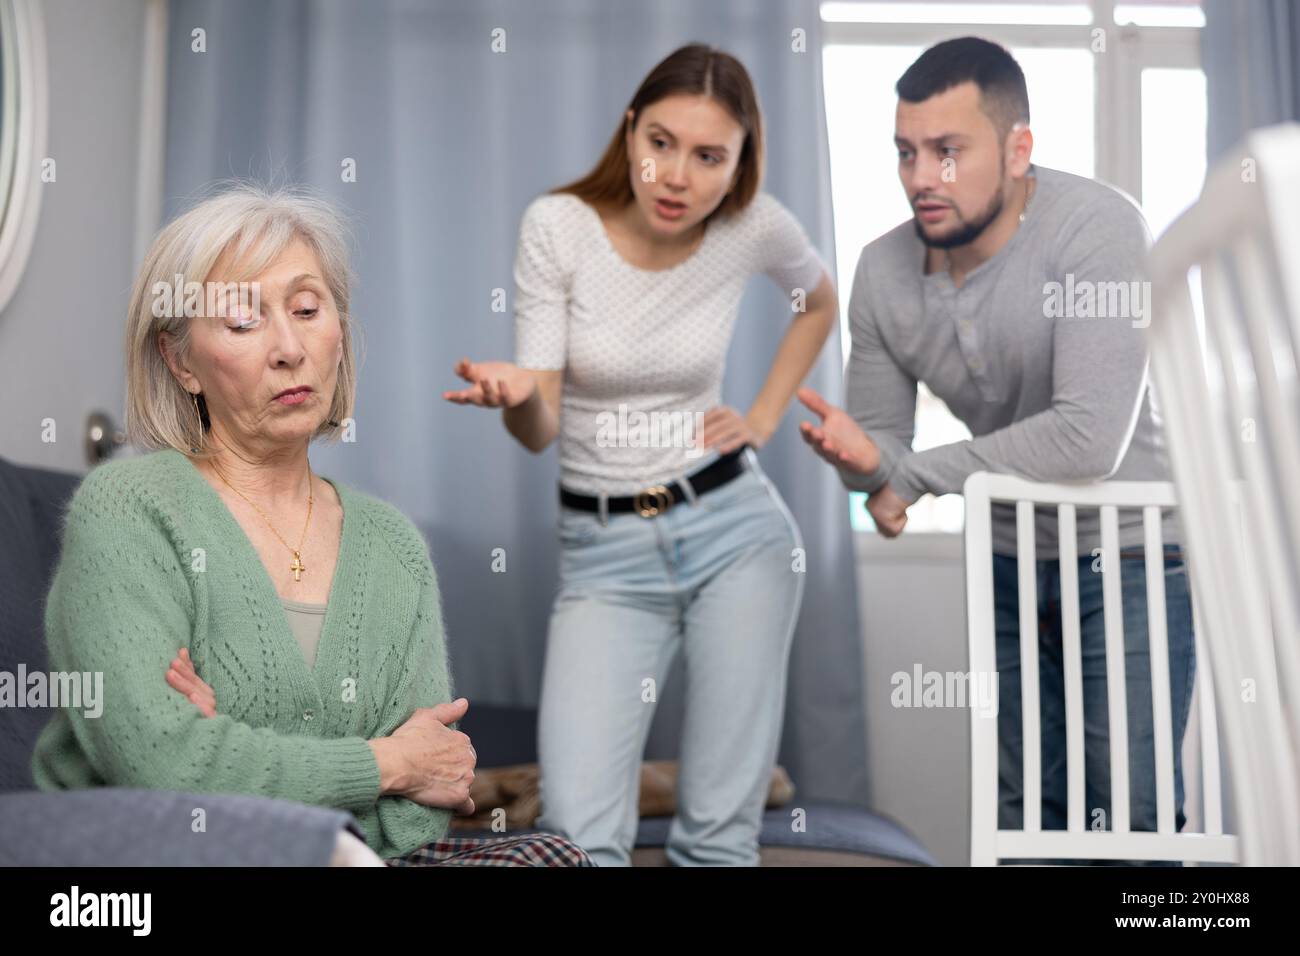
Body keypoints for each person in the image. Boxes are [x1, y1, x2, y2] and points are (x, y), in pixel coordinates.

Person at [30, 182, 593, 867]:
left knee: (550, 855)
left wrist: (235, 747)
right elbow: (162, 766)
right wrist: (385, 762)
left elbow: (427, 800)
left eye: (305, 308)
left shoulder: (391, 544)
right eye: (243, 321)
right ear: (181, 362)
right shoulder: (127, 509)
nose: (289, 348)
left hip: (368, 863)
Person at [798, 37, 1194, 862]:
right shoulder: (881, 272)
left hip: (1127, 556)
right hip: (1008, 552)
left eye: (949, 152)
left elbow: (1087, 438)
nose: (920, 178)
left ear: (1019, 150)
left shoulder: (1101, 229)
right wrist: (864, 463)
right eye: (907, 153)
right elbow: (884, 455)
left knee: (1132, 811)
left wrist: (908, 478)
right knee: (1022, 813)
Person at [445, 43, 837, 866]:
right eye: (660, 142)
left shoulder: (752, 228)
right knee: (579, 845)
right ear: (630, 133)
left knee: (719, 840)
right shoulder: (559, 227)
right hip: (604, 557)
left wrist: (762, 419)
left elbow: (819, 299)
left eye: (708, 157)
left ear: (740, 165)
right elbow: (542, 428)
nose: (677, 176)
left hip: (736, 534)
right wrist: (519, 397)